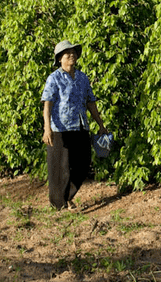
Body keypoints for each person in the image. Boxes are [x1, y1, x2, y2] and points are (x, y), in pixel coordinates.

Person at [42, 40, 108, 210]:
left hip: (80, 126)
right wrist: (47, 129)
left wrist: (100, 124)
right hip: (60, 129)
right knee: (60, 168)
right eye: (67, 53)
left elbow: (90, 102)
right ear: (59, 59)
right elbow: (47, 104)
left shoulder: (82, 77)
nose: (72, 55)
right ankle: (59, 204)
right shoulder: (54, 78)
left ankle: (68, 196)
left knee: (83, 164)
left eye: (73, 52)